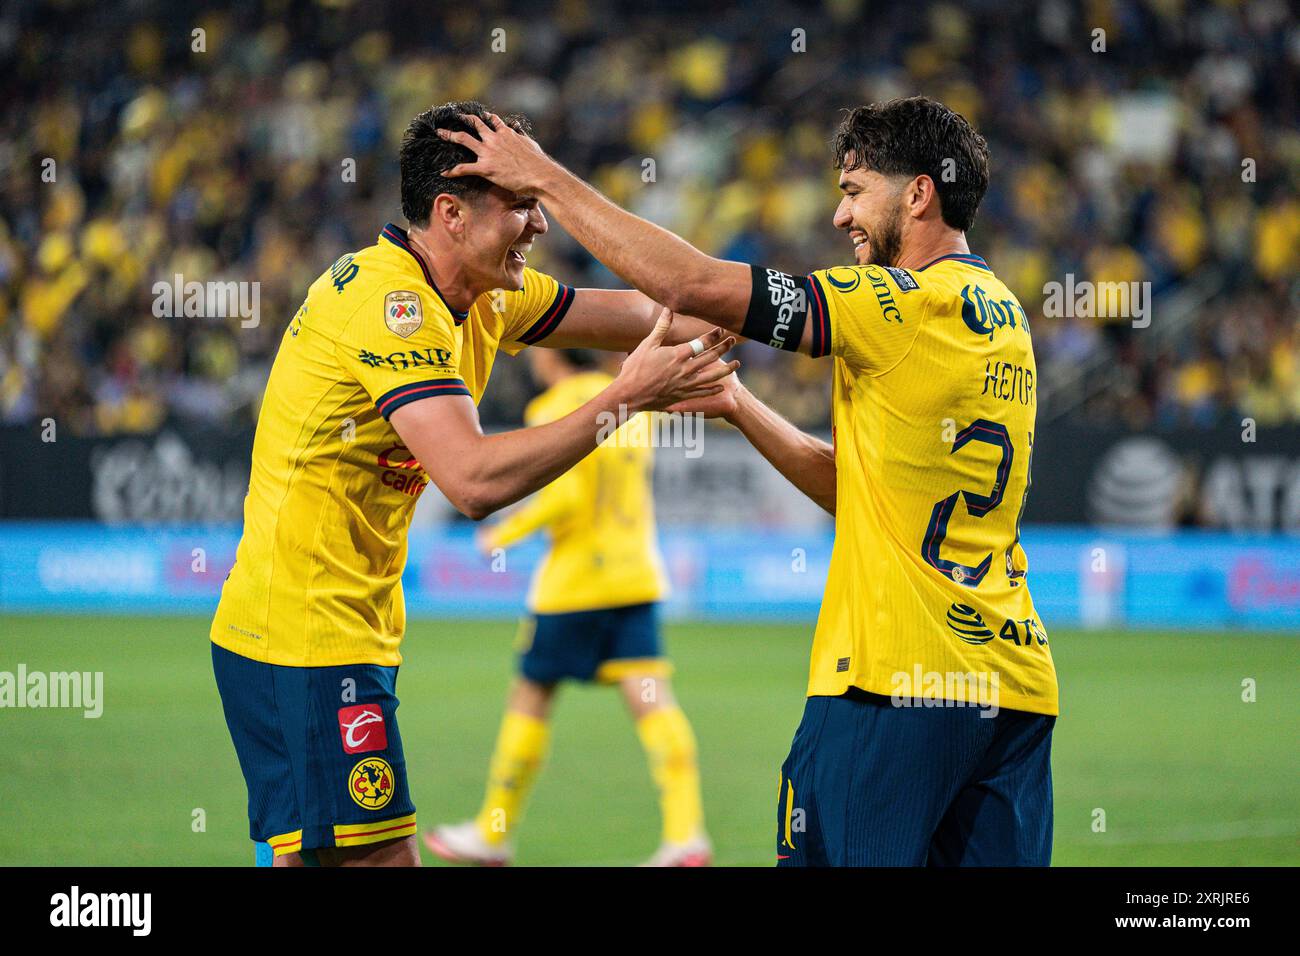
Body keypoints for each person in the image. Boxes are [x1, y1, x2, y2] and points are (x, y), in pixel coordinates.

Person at [435, 95, 1059, 866]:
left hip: (891, 684)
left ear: (919, 193)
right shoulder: (1002, 314)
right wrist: (736, 403)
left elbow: (691, 286)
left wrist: (546, 181)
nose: (840, 217)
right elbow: (855, 493)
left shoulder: (897, 305)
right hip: (1012, 687)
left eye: (855, 190)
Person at [210, 100, 736, 867]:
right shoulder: (392, 308)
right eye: (522, 205)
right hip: (304, 640)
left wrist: (797, 319)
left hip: (324, 630)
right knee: (384, 858)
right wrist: (628, 397)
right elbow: (472, 480)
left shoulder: (487, 295)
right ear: (450, 213)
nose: (541, 226)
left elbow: (650, 311)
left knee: (310, 859)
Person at [427, 348, 711, 867]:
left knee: (530, 696)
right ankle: (686, 835)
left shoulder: (555, 407)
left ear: (553, 353)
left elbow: (568, 498)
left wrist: (503, 533)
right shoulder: (630, 406)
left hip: (575, 584)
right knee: (654, 701)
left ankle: (495, 830)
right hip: (635, 576)